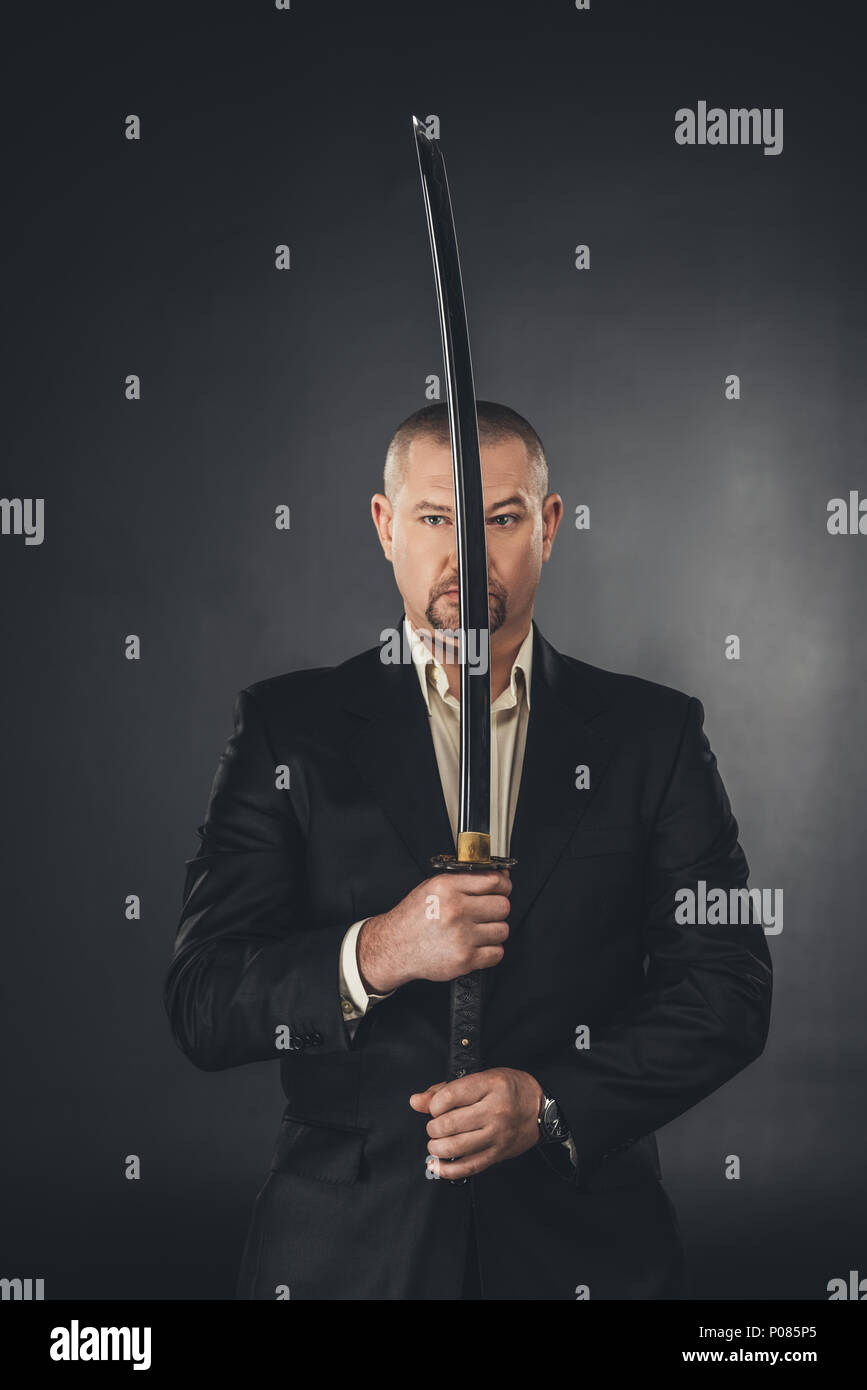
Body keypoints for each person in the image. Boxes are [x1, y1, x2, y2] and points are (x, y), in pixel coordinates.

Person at [163, 400, 772, 1300]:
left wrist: (553, 1104)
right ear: (384, 526)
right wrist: (380, 951)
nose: (470, 552)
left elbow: (727, 989)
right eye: (436, 517)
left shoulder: (654, 736)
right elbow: (204, 1000)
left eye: (502, 518)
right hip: (347, 1257)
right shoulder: (287, 731)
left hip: (586, 1250)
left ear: (550, 526)